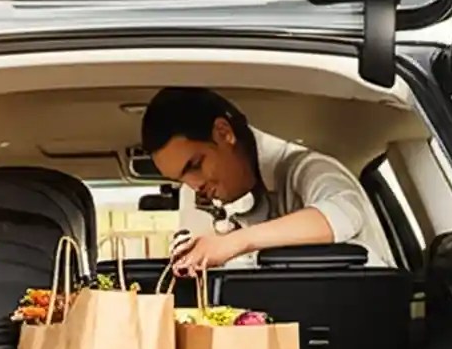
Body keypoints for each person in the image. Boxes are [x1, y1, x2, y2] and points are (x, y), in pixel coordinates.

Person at [141, 87, 395, 275]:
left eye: (195, 165)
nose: (196, 185)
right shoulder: (243, 209)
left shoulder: (305, 167)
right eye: (182, 179)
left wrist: (233, 244)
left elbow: (345, 214)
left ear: (224, 133)